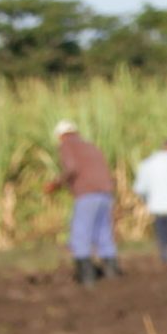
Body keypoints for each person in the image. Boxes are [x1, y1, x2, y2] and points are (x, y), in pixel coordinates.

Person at [50, 119, 120, 283]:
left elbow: (71, 168)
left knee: (80, 233)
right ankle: (112, 273)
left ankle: (86, 275)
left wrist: (56, 184)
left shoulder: (67, 145)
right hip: (105, 193)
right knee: (103, 233)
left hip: (87, 194)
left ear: (60, 136)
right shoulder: (91, 146)